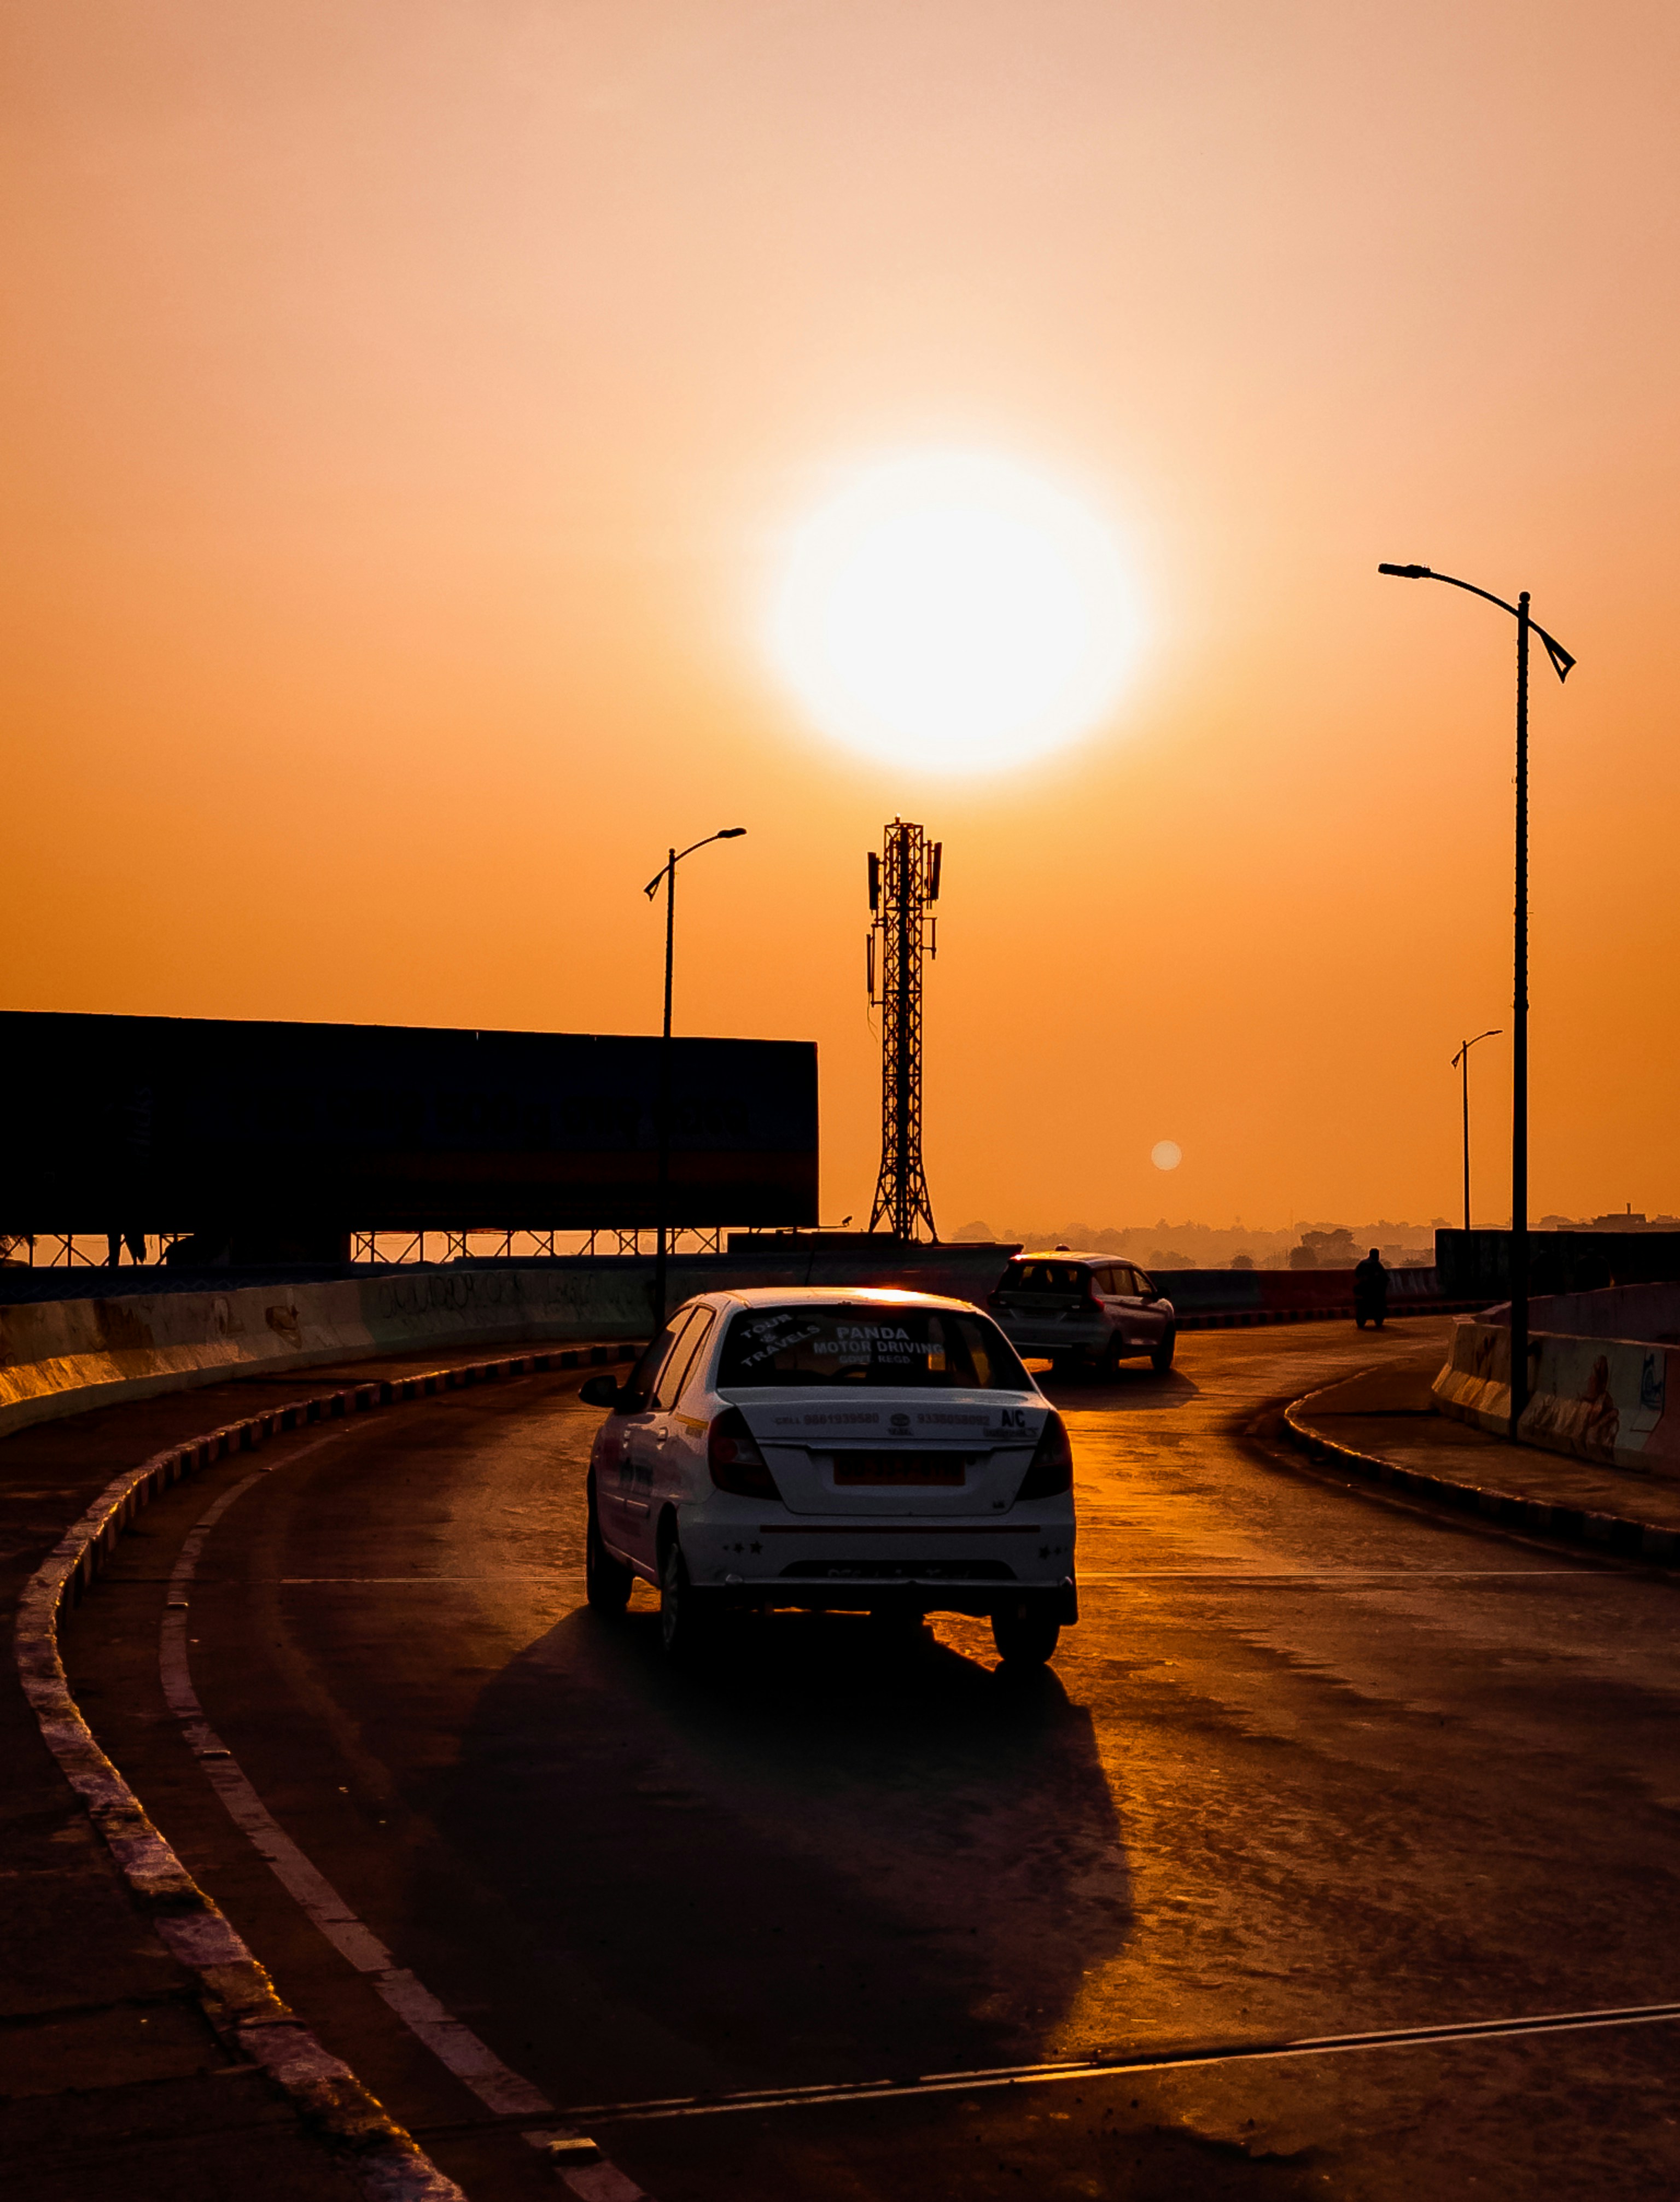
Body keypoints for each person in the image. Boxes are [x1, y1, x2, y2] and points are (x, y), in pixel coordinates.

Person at [1354, 1246, 1388, 1330]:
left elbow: (1356, 1274)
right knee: (1380, 1300)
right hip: (1373, 1289)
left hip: (1362, 1288)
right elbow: (1385, 1277)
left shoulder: (1363, 1263)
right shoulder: (1376, 1264)